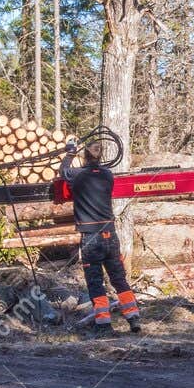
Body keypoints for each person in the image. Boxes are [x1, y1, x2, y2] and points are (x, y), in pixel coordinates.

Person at [62, 140, 141, 335]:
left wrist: (70, 153)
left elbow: (63, 171)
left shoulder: (77, 175)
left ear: (85, 156)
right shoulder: (108, 175)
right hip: (110, 235)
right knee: (119, 278)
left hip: (91, 237)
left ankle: (104, 325)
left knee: (95, 281)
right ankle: (133, 318)